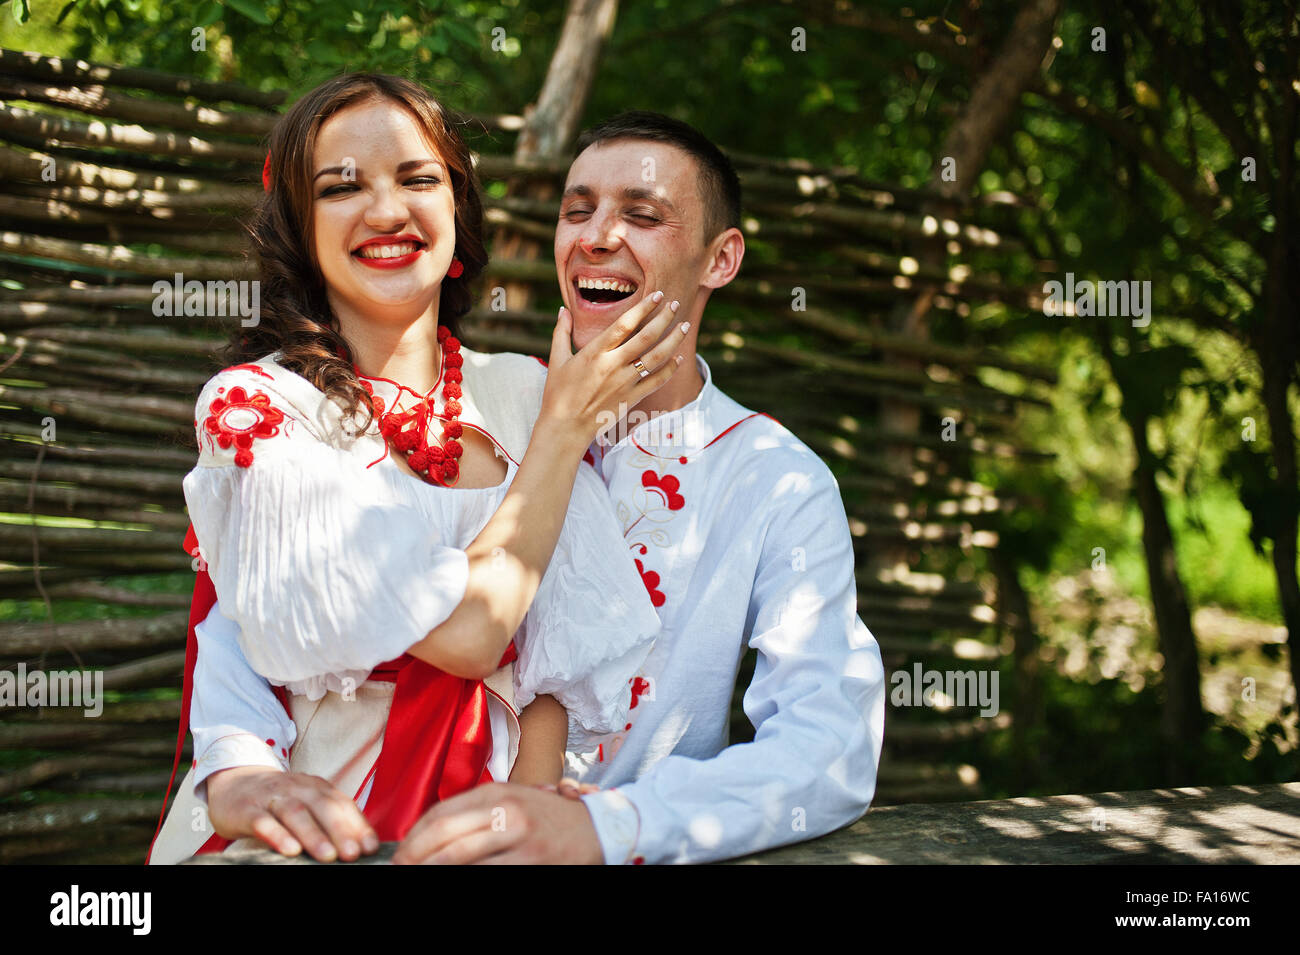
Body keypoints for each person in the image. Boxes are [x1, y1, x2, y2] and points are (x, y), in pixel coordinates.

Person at [181, 111, 887, 865]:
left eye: (642, 215)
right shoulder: (494, 409)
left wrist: (618, 825)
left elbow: (827, 746)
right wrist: (235, 766)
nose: (596, 236)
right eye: (577, 210)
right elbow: (249, 613)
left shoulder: (776, 480)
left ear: (721, 259)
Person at [146, 77, 691, 864]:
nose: (387, 211)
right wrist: (239, 774)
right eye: (342, 188)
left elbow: (554, 669)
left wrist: (525, 812)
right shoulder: (258, 406)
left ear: (458, 208)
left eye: (417, 178)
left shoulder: (529, 391)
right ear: (299, 227)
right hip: (311, 833)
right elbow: (472, 636)